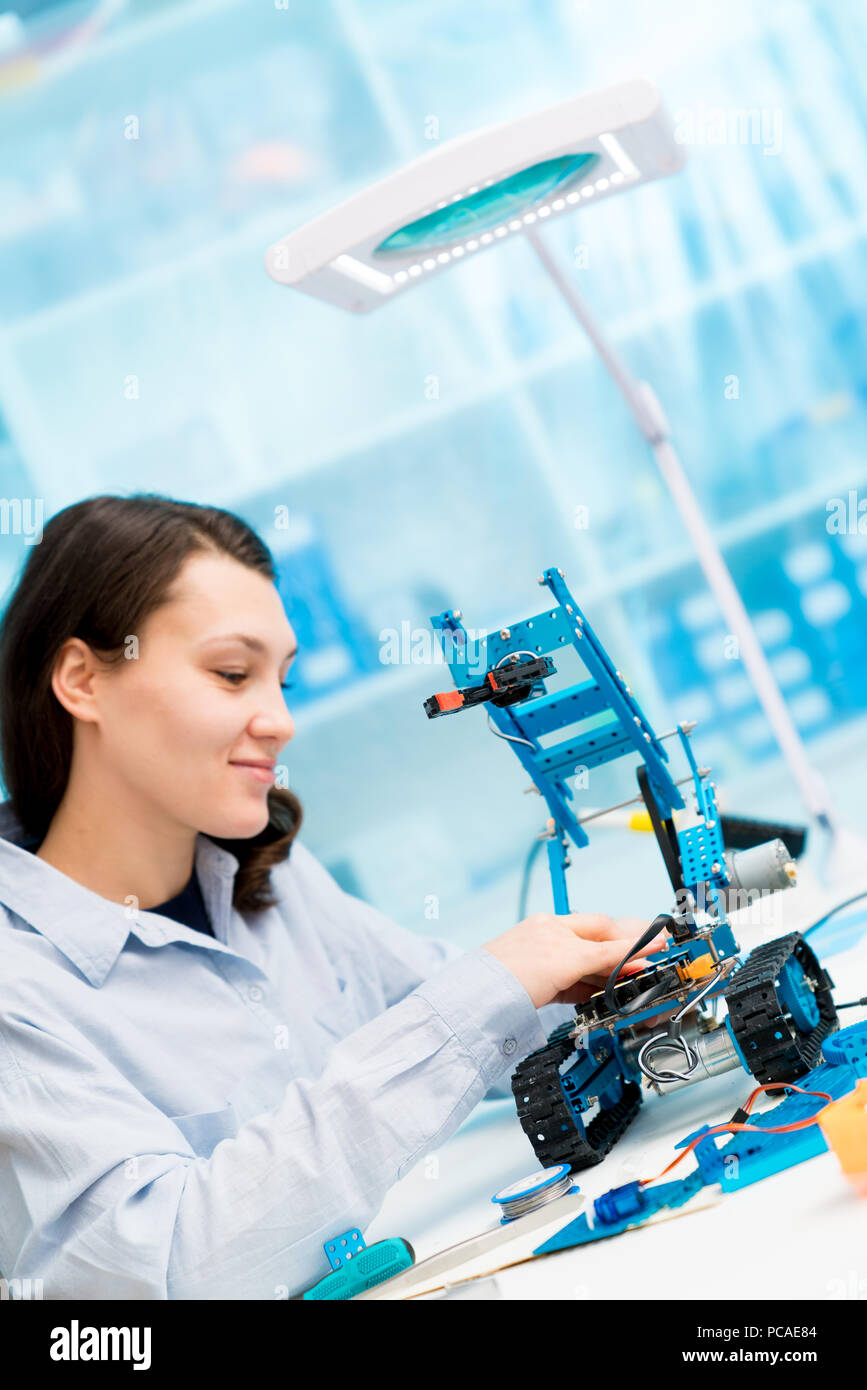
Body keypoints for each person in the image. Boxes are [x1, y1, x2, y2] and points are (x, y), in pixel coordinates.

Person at [0, 493, 667, 1299]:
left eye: (280, 680)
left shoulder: (266, 872)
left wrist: (638, 984)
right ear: (83, 680)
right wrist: (483, 993)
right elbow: (172, 1272)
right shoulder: (18, 988)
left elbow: (465, 1029)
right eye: (232, 674)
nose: (279, 721)